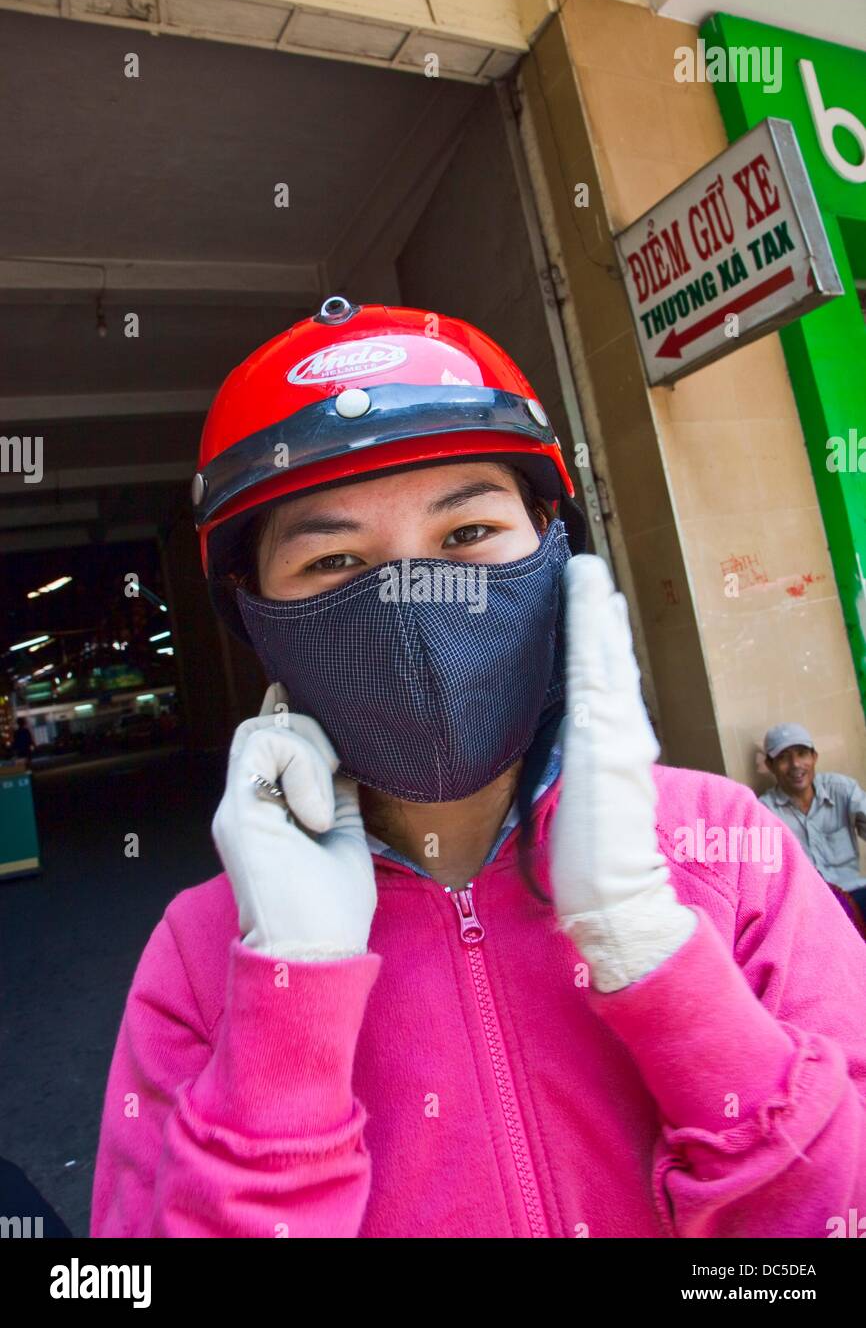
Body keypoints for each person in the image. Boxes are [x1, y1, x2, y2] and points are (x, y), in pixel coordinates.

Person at [91, 297, 866, 1239]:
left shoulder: (731, 850)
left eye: (466, 537)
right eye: (336, 560)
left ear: (555, 553)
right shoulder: (200, 954)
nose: (416, 600)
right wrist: (288, 1002)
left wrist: (654, 953)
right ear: (258, 620)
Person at [759, 723, 866, 921]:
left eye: (802, 754)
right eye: (783, 757)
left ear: (814, 757)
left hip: (856, 893)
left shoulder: (841, 789)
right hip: (810, 910)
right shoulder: (765, 812)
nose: (795, 764)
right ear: (770, 765)